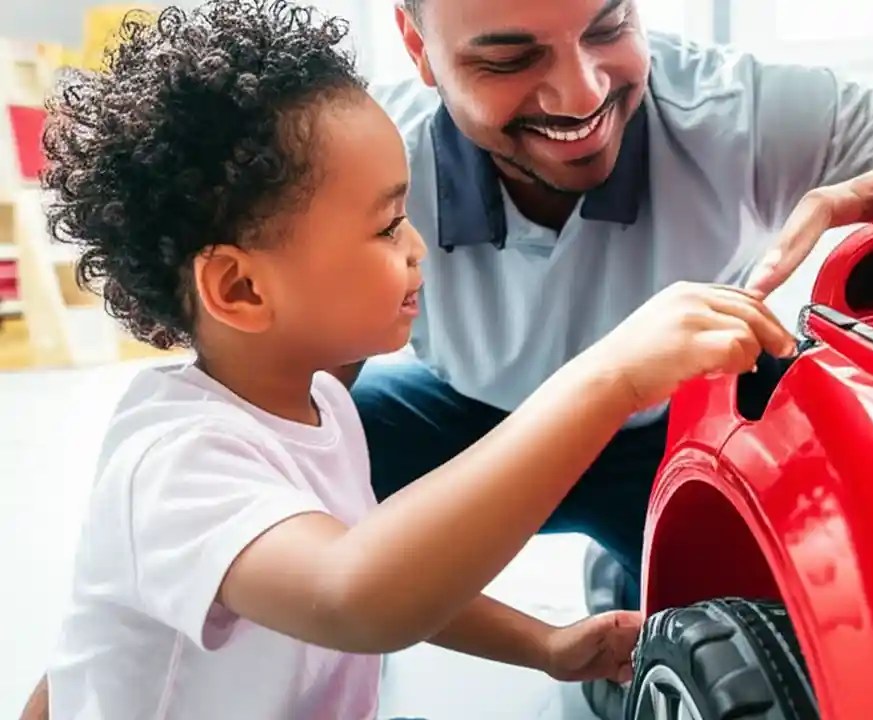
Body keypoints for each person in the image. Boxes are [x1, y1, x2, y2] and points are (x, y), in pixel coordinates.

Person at [22, 1, 794, 718]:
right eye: (389, 225)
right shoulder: (178, 463)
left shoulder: (320, 405)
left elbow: (398, 569)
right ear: (241, 287)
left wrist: (545, 645)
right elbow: (355, 595)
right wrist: (610, 375)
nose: (419, 245)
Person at [353, 0, 873, 624]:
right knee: (321, 451)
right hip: (465, 418)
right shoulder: (372, 159)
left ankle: (625, 573)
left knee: (770, 606)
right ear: (418, 48)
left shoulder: (735, 109)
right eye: (509, 58)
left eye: (609, 27)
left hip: (672, 429)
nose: (581, 95)